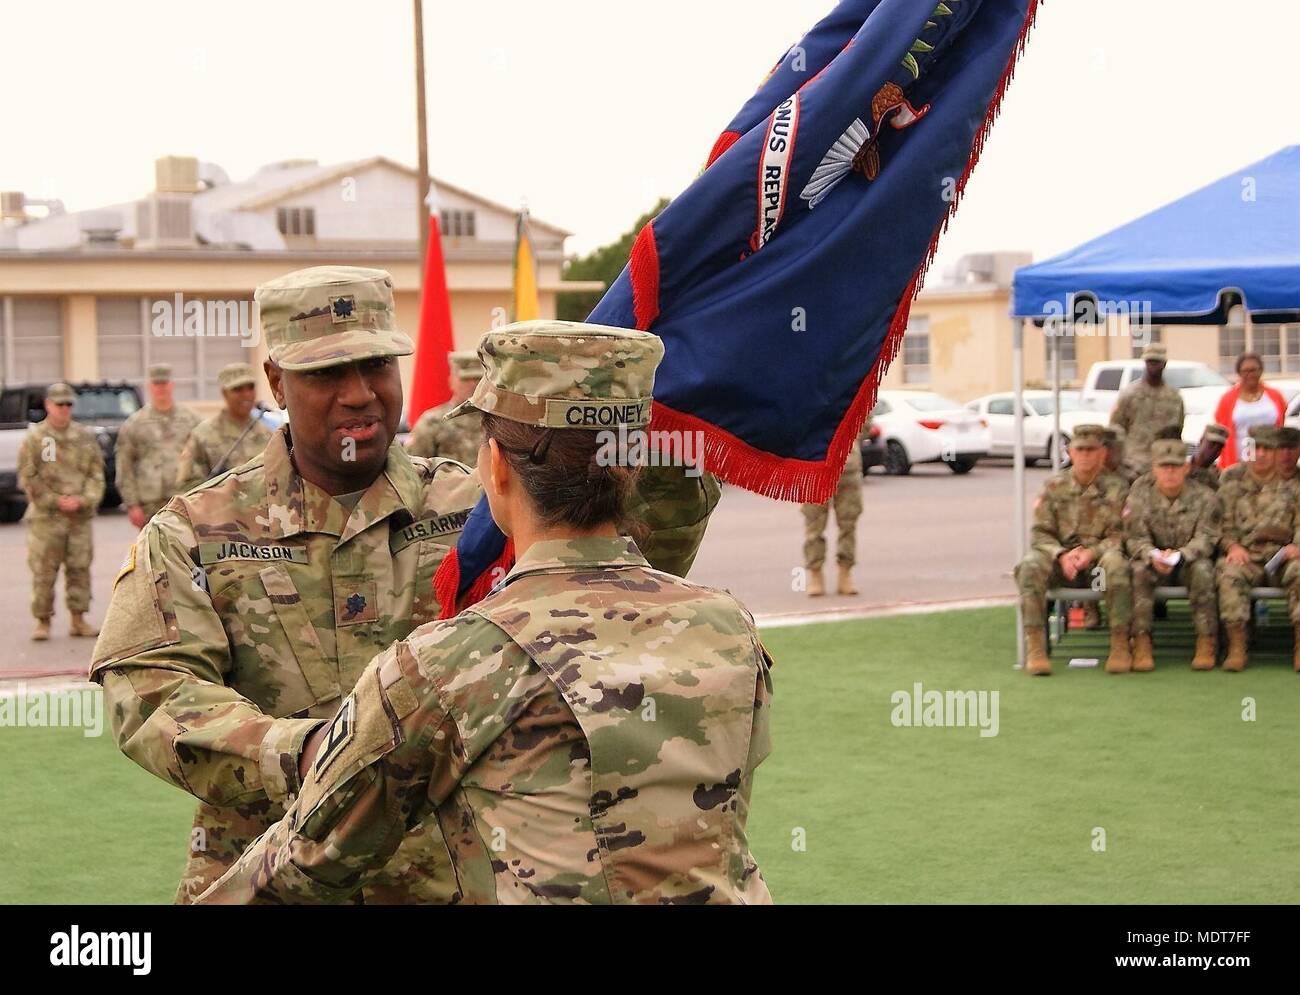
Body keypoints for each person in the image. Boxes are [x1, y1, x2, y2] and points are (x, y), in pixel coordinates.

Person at [89, 267, 721, 904]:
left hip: (452, 880)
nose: (360, 394)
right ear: (276, 382)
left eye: (376, 368)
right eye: (327, 374)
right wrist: (306, 755)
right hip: (273, 875)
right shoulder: (197, 530)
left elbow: (626, 571)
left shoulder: (482, 507)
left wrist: (658, 440)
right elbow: (148, 689)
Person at [1015, 425, 1132, 676]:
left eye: (1092, 450)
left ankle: (1120, 645)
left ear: (1103, 453)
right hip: (1063, 567)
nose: (1086, 455)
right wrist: (1061, 554)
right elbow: (1040, 533)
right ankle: (1035, 647)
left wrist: (1092, 552)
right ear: (1070, 451)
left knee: (1117, 565)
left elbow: (1122, 535)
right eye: (1080, 450)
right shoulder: (1054, 487)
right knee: (1031, 565)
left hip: (1097, 570)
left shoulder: (1118, 488)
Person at [1123, 439, 1221, 671]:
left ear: (1186, 468)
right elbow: (1134, 538)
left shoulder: (1205, 498)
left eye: (1176, 466)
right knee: (1137, 572)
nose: (1169, 472)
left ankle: (1206, 640)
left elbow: (1207, 537)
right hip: (1152, 562)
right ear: (1154, 468)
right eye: (1164, 466)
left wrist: (1180, 555)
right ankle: (1142, 642)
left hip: (1189, 561)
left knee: (1204, 570)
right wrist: (1152, 555)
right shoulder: (1139, 497)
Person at [17, 382, 105, 640]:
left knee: (79, 568)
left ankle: (78, 619)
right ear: (48, 405)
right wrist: (55, 500)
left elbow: (96, 474)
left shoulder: (84, 437)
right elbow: (27, 475)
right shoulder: (35, 438)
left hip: (79, 517)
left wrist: (84, 500)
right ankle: (42, 621)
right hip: (47, 518)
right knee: (44, 570)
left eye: (69, 404)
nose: (64, 409)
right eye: (60, 404)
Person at [1216, 426, 1300, 672]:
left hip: (1283, 558)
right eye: (1257, 448)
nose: (1262, 454)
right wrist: (1232, 546)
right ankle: (1237, 647)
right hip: (1247, 557)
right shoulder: (1232, 487)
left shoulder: (1294, 489)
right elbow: (1220, 528)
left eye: (1268, 449)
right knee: (1229, 574)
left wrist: (1296, 546)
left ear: (1277, 454)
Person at [115, 364, 201, 528]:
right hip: (149, 504)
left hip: (184, 500)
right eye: (157, 384)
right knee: (150, 551)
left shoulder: (192, 420)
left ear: (172, 385)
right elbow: (125, 467)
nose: (161, 388)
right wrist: (132, 504)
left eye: (164, 383)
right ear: (149, 387)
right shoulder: (134, 424)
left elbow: (205, 459)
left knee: (186, 551)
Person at [174, 362, 273, 493]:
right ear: (225, 393)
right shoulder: (204, 435)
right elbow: (187, 486)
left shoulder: (268, 435)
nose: (246, 394)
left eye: (250, 387)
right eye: (237, 389)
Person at [800, 417, 870, 597]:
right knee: (814, 524)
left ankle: (845, 573)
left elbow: (865, 415)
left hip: (848, 465)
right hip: (814, 465)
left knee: (848, 523)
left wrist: (852, 439)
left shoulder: (849, 388)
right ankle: (815, 574)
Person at [1109, 343, 1184, 474]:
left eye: (1157, 361)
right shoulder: (1130, 394)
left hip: (1163, 464)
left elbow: (1177, 430)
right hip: (1133, 464)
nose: (1153, 365)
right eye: (1150, 361)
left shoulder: (1174, 397)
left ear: (1164, 364)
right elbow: (1116, 428)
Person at [405, 350, 483, 465]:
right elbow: (413, 468)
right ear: (451, 381)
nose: (472, 384)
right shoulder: (432, 421)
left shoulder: (498, 420)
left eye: (477, 378)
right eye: (465, 379)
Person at [1213, 351, 1285, 470]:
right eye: (1245, 371)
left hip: (1272, 460)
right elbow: (1222, 433)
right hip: (1240, 462)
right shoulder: (1227, 400)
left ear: (1261, 371)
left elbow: (1281, 424)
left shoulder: (1275, 396)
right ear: (1239, 373)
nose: (1249, 374)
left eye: (1253, 370)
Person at [1188, 423, 1229, 490]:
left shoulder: (1218, 477)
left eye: (1220, 447)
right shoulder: (1182, 467)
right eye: (1212, 444)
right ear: (1201, 441)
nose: (1215, 450)